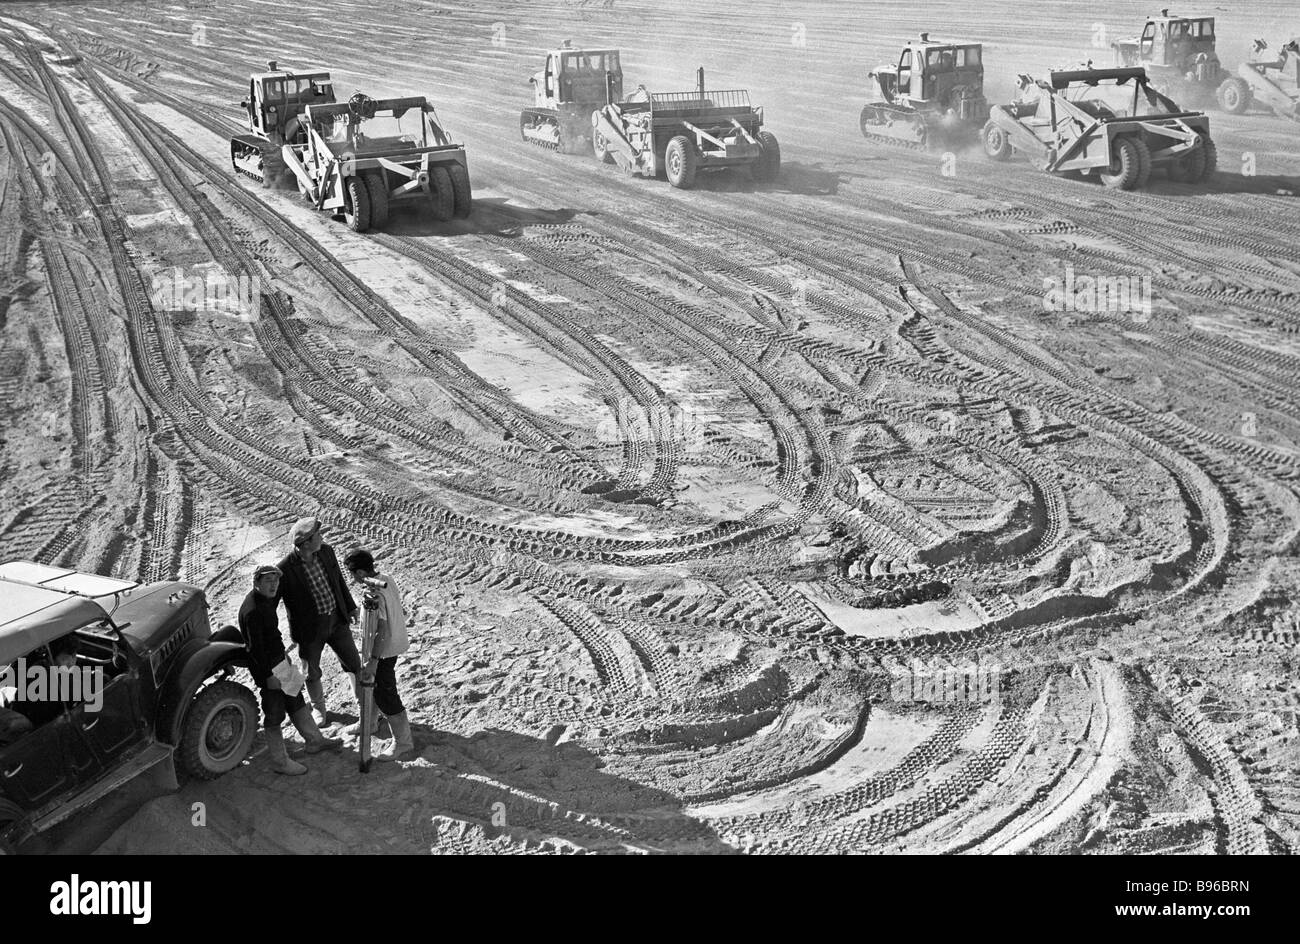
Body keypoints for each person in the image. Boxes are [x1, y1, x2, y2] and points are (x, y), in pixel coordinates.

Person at [239, 564, 342, 775]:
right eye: (268, 581)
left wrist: (283, 655)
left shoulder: (264, 601)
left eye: (276, 581)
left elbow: (271, 636)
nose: (273, 585)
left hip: (279, 663)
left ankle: (315, 740)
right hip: (269, 670)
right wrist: (267, 677)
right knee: (274, 713)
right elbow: (254, 650)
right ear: (256, 582)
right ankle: (279, 761)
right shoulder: (252, 611)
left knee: (295, 698)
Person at [276, 517, 362, 726]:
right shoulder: (285, 569)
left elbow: (339, 582)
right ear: (305, 543)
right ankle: (319, 709)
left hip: (336, 620)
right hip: (310, 630)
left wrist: (349, 607)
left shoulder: (326, 551)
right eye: (317, 536)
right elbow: (274, 601)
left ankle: (364, 706)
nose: (322, 538)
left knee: (354, 665)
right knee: (311, 673)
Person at [342, 549, 414, 762]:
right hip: (389, 646)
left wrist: (373, 660)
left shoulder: (376, 592)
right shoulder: (387, 579)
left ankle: (403, 742)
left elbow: (381, 629)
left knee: (385, 693)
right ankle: (370, 722)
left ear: (362, 572)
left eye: (352, 573)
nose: (351, 577)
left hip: (383, 651)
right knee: (373, 687)